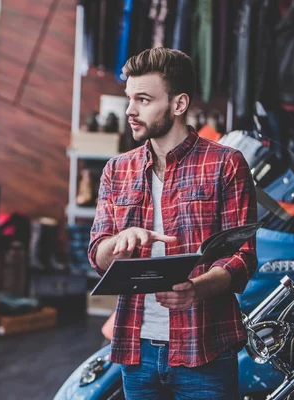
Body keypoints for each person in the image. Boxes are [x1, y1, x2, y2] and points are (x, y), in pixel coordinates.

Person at [88, 48, 257, 399]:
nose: (130, 111)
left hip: (205, 350)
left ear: (178, 104)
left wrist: (197, 289)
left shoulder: (226, 164)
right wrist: (119, 242)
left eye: (144, 99)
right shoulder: (117, 170)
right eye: (129, 99)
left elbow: (242, 257)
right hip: (136, 351)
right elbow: (97, 254)